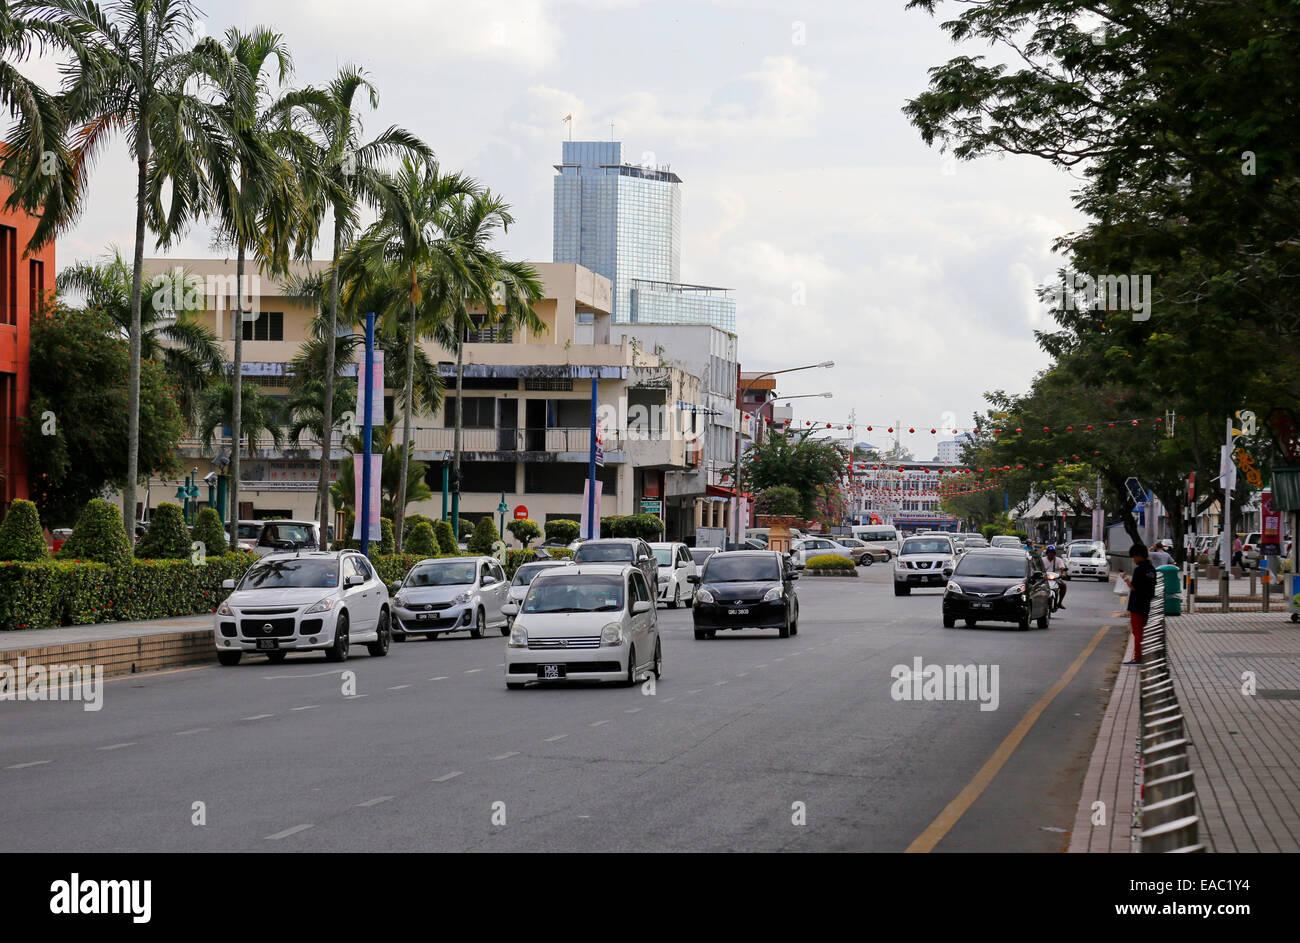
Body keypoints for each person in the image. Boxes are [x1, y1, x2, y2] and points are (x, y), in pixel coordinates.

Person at [1122, 543, 1158, 665]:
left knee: (1137, 632)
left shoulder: (1139, 569)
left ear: (1138, 556)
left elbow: (1134, 587)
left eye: (1134, 557)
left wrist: (1125, 579)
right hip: (1147, 603)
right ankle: (1142, 655)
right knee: (1142, 630)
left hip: (1137, 604)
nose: (1133, 560)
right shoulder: (1151, 568)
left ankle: (1138, 658)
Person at [1043, 544, 1067, 610]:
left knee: (1063, 585)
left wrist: (1063, 574)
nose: (1051, 554)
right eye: (1049, 553)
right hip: (1044, 578)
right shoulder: (1042, 560)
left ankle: (1059, 602)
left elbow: (1062, 568)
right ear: (1047, 553)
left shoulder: (1058, 560)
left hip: (1055, 578)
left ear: (1055, 553)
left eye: (1052, 553)